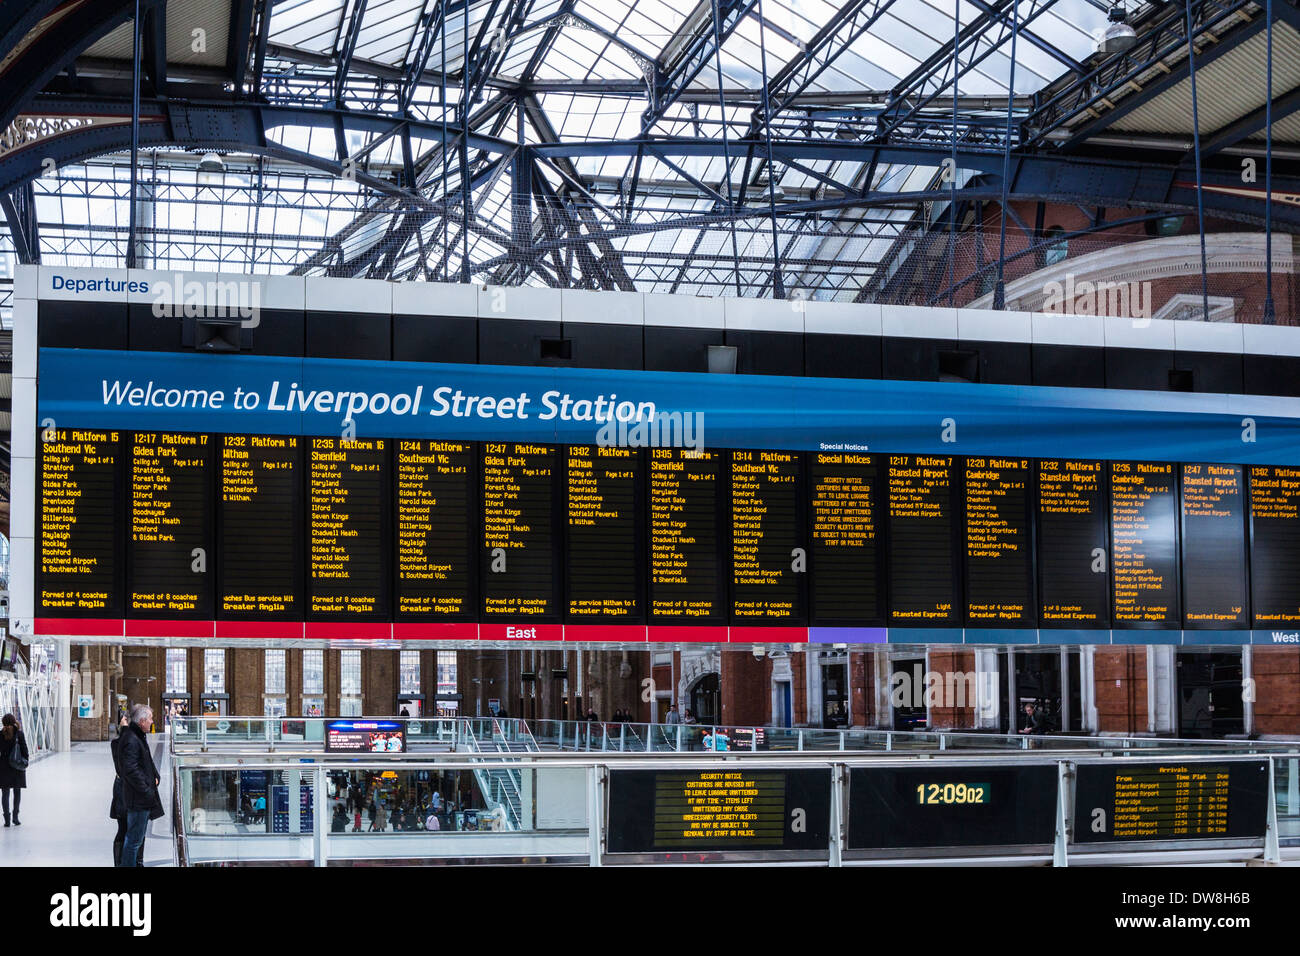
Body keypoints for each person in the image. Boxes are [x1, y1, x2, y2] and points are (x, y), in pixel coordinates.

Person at [118, 704, 164, 867]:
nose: (152, 722)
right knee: (133, 840)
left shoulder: (138, 736)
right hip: (138, 799)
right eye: (150, 719)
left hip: (140, 797)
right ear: (142, 720)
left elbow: (145, 761)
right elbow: (130, 770)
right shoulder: (131, 739)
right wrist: (146, 790)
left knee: (136, 838)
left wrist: (154, 776)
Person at [109, 713, 135, 864]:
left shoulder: (137, 741)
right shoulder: (117, 744)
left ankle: (136, 860)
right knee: (123, 827)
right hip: (122, 792)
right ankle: (119, 862)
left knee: (136, 831)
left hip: (133, 794)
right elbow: (121, 765)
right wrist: (125, 730)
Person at [1, 713, 30, 827]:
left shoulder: (1, 734)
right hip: (17, 766)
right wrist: (25, 761)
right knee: (17, 792)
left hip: (3, 767)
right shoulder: (19, 734)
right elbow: (25, 750)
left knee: (5, 793)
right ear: (14, 721)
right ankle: (15, 818)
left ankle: (7, 820)